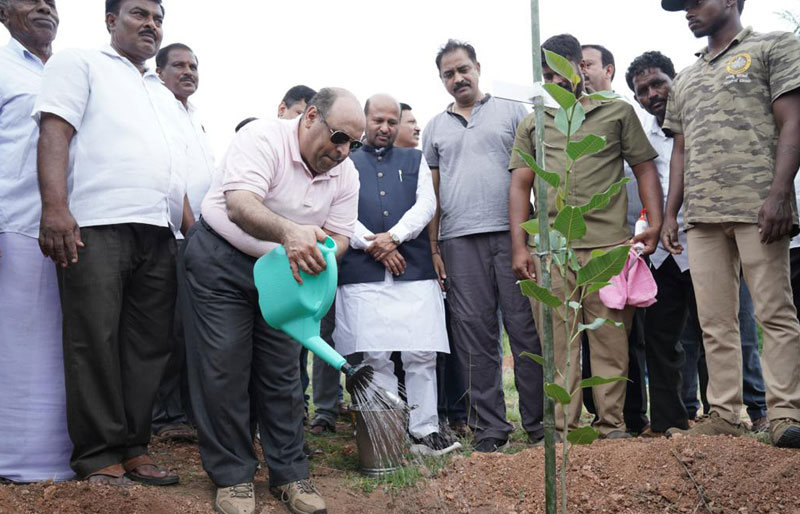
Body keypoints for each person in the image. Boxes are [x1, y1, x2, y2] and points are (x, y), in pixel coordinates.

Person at [183, 87, 362, 514]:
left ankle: (290, 474)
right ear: (311, 117)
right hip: (223, 261)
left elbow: (340, 236)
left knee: (282, 372)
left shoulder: (346, 173)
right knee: (224, 367)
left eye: (353, 144)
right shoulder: (262, 138)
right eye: (338, 137)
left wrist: (323, 253)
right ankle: (233, 476)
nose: (343, 151)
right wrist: (289, 234)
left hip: (286, 273)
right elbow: (240, 205)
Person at [33, 0, 190, 485]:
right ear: (110, 21)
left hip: (159, 230)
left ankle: (135, 448)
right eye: (139, 14)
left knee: (148, 346)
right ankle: (98, 454)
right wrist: (55, 208)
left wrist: (191, 233)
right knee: (94, 338)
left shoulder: (160, 91)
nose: (151, 25)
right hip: (97, 223)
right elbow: (54, 131)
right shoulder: (79, 61)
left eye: (158, 19)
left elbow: (175, 168)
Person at [509, 34, 663, 439]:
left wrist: (656, 222)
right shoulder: (534, 121)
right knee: (559, 345)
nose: (553, 83)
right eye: (545, 76)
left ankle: (612, 427)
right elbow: (520, 185)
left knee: (611, 340)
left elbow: (644, 167)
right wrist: (519, 246)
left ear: (580, 67)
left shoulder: (616, 112)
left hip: (607, 248)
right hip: (551, 251)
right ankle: (565, 430)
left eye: (559, 74)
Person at [661, 0, 800, 447]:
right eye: (682, 6)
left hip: (758, 207)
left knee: (774, 312)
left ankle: (785, 413)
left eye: (695, 1)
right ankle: (724, 413)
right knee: (714, 320)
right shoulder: (686, 76)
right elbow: (680, 151)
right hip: (701, 216)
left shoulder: (774, 46)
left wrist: (779, 194)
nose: (688, 11)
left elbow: (793, 120)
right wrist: (670, 213)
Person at [422, 39, 544, 452]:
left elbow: (531, 175)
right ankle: (490, 428)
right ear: (442, 80)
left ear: (478, 68)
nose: (458, 78)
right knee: (473, 334)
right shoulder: (434, 128)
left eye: (463, 69)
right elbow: (433, 192)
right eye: (448, 74)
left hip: (514, 236)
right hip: (458, 241)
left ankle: (539, 422)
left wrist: (529, 236)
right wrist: (434, 247)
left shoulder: (512, 111)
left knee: (525, 329)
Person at [333, 93, 461, 456]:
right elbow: (337, 209)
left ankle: (425, 431)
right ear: (365, 119)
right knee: (375, 356)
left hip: (413, 268)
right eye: (378, 120)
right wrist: (373, 245)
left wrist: (395, 237)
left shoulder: (414, 159)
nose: (385, 128)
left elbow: (427, 205)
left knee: (421, 353)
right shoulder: (344, 161)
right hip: (362, 272)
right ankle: (386, 433)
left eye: (392, 121)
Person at [0, 0, 73, 484]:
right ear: (4, 12)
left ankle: (52, 459)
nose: (45, 6)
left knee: (55, 350)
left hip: (68, 232)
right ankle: (11, 461)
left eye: (53, 0)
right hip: (14, 223)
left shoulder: (68, 71)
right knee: (14, 346)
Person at [579, 42, 650, 435]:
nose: (581, 71)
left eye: (587, 64)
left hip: (624, 240)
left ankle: (629, 418)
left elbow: (642, 173)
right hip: (585, 242)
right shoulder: (566, 119)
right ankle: (597, 415)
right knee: (591, 338)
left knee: (623, 337)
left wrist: (644, 228)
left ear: (608, 69)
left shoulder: (622, 112)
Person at [149, 42, 216, 442]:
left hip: (202, 235)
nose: (188, 71)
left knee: (193, 328)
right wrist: (193, 231)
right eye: (179, 65)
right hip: (177, 235)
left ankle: (190, 411)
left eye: (193, 65)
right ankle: (165, 415)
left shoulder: (194, 117)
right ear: (159, 73)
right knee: (170, 328)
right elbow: (174, 179)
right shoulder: (159, 110)